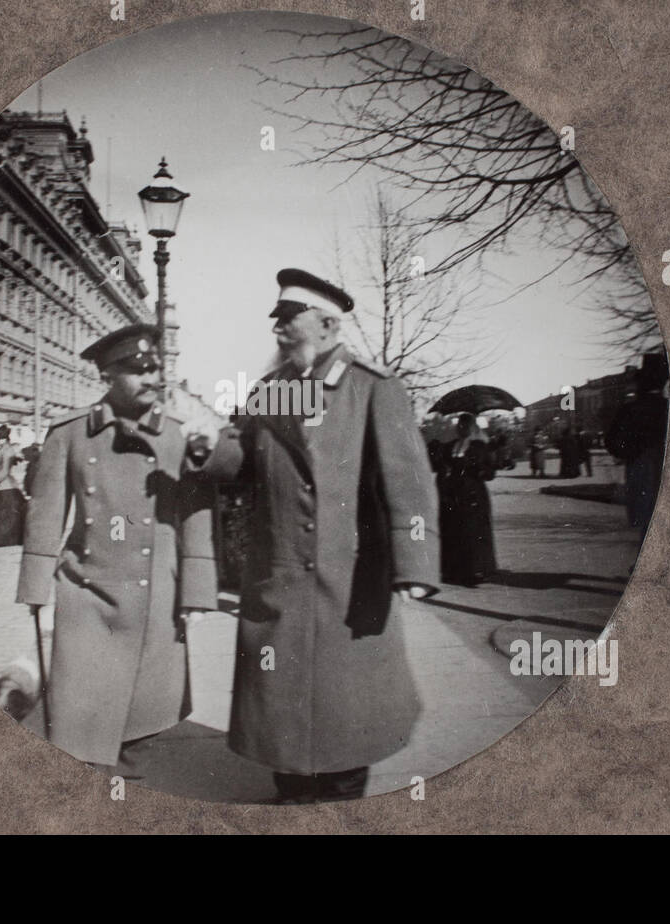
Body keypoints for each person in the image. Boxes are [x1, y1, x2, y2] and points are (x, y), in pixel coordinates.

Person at [188, 268, 440, 804]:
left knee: (346, 726)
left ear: (326, 324)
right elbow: (234, 469)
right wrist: (211, 441)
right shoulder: (274, 390)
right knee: (280, 724)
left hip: (349, 586)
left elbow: (410, 481)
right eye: (276, 317)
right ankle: (293, 798)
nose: (276, 326)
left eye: (288, 316)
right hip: (279, 582)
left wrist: (415, 564)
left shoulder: (372, 386)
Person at [15, 324, 217, 773]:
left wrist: (198, 592)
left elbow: (197, 515)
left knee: (143, 726)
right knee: (79, 723)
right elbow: (46, 513)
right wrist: (34, 588)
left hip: (156, 598)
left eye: (155, 368)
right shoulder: (69, 434)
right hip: (86, 594)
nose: (151, 378)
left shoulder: (177, 437)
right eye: (136, 370)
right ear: (107, 376)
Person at [605, 353, 670, 541]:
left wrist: (630, 453)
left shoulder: (631, 409)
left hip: (641, 469)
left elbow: (612, 442)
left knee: (646, 518)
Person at [440, 413, 498, 584]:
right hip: (454, 494)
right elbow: (443, 464)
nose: (461, 428)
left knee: (473, 533)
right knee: (454, 531)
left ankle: (476, 571)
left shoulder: (480, 446)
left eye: (465, 425)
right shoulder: (452, 445)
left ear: (472, 427)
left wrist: (479, 468)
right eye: (460, 425)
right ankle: (455, 571)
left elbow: (490, 473)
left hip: (474, 495)